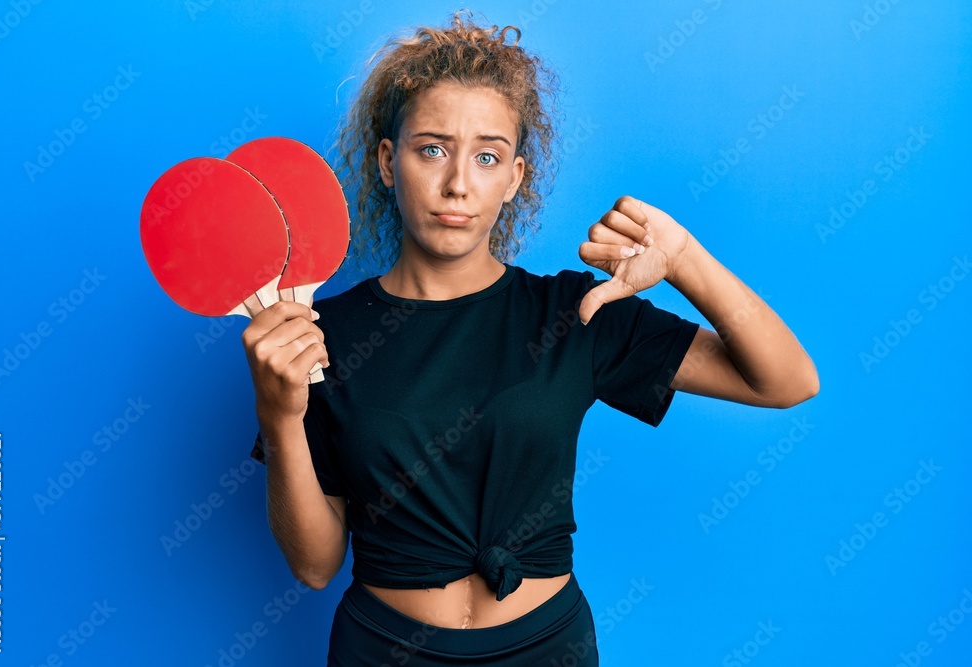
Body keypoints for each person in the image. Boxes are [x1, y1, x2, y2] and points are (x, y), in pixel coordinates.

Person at [242, 10, 819, 666]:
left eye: (487, 156)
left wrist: (686, 259)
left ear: (513, 177)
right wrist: (279, 414)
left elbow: (786, 380)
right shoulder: (320, 333)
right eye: (431, 147)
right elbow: (314, 565)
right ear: (386, 161)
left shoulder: (575, 310)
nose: (458, 181)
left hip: (546, 648)